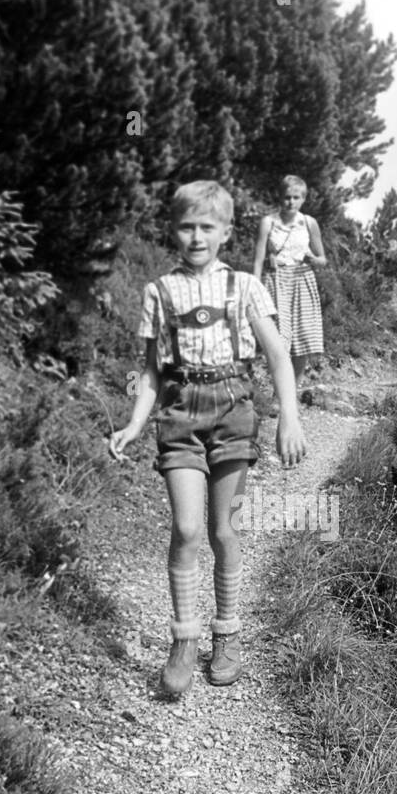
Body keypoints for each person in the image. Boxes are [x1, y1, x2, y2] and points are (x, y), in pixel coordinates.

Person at [109, 181, 306, 697]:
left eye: (206, 227)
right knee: (187, 528)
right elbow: (151, 372)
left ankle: (227, 633)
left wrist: (290, 417)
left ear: (225, 232)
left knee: (223, 531)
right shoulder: (159, 292)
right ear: (173, 230)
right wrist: (134, 423)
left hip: (233, 410)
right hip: (179, 414)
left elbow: (279, 355)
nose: (196, 237)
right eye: (186, 226)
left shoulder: (244, 286)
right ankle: (183, 638)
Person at [253, 175, 327, 391]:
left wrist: (313, 259)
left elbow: (322, 259)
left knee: (303, 340)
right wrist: (255, 291)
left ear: (303, 199)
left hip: (303, 280)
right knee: (279, 342)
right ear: (280, 197)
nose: (291, 202)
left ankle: (291, 391)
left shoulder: (309, 223)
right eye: (287, 197)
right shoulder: (268, 222)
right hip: (276, 282)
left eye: (296, 197)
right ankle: (280, 389)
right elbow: (257, 260)